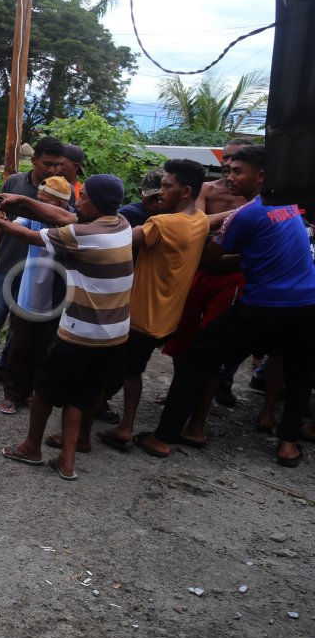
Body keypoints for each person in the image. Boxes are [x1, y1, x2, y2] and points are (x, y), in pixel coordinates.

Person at [134, 145, 315, 468]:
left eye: (237, 171)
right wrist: (254, 257)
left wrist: (242, 257)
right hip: (306, 304)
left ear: (260, 176)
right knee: (299, 373)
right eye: (228, 171)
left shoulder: (246, 214)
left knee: (195, 358)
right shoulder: (290, 205)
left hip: (263, 306)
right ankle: (288, 444)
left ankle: (162, 436)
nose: (229, 177)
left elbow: (208, 261)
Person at [0, 174, 134, 480]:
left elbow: (30, 236)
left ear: (95, 202)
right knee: (81, 396)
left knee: (44, 390)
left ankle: (31, 447)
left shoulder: (82, 235)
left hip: (80, 333)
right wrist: (24, 201)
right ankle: (67, 463)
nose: (77, 201)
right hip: (115, 335)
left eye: (83, 197)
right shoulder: (120, 224)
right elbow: (64, 214)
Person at [93, 160, 209, 452]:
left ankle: (78, 435)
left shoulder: (162, 223)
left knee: (102, 371)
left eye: (167, 187)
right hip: (166, 320)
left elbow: (113, 239)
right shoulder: (201, 221)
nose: (161, 192)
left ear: (186, 191)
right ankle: (125, 427)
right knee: (132, 371)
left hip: (138, 318)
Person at [0, 136, 68, 395]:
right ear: (34, 160)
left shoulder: (61, 190)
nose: (53, 170)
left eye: (58, 165)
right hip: (7, 263)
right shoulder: (14, 183)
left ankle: (4, 366)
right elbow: (0, 220)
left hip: (36, 274)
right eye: (48, 164)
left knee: (20, 329)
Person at [159, 139, 252, 408]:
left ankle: (207, 401)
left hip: (229, 276)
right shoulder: (208, 190)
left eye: (236, 162)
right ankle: (180, 391)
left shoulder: (258, 201)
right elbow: (195, 226)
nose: (228, 165)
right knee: (183, 337)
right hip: (198, 270)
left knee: (214, 342)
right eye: (226, 159)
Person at [0, 176, 73, 415]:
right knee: (20, 346)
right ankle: (12, 393)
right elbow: (18, 224)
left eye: (45, 201)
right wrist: (0, 219)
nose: (38, 204)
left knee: (45, 349)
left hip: (58, 295)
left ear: (60, 205)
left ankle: (31, 392)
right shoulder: (33, 216)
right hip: (30, 292)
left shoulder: (72, 223)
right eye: (38, 200)